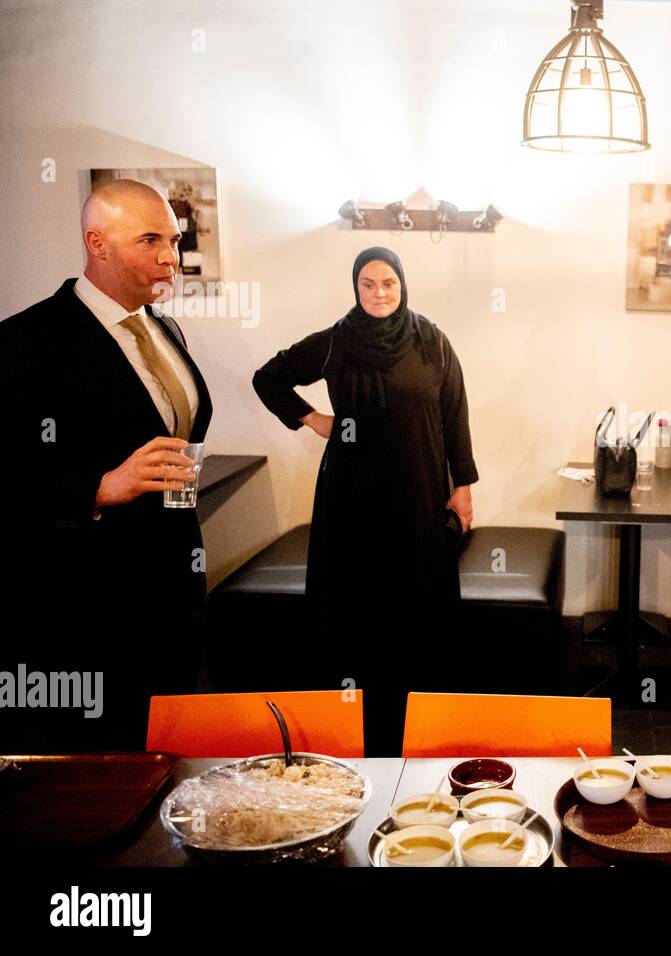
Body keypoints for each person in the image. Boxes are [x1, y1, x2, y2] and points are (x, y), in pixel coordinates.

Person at [0, 179, 213, 751]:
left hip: (174, 584)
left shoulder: (162, 327)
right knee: (111, 766)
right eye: (150, 240)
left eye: (172, 240)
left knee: (171, 751)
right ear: (96, 243)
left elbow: (176, 436)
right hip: (89, 603)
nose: (169, 256)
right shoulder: (25, 342)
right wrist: (97, 487)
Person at [253, 247, 477, 756]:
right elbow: (268, 378)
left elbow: (455, 415)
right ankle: (353, 722)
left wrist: (461, 487)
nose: (379, 294)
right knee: (357, 601)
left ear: (403, 285)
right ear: (356, 287)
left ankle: (419, 717)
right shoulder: (336, 342)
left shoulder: (431, 342)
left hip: (419, 488)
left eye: (388, 284)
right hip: (351, 496)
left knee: (416, 596)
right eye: (368, 285)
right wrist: (313, 418)